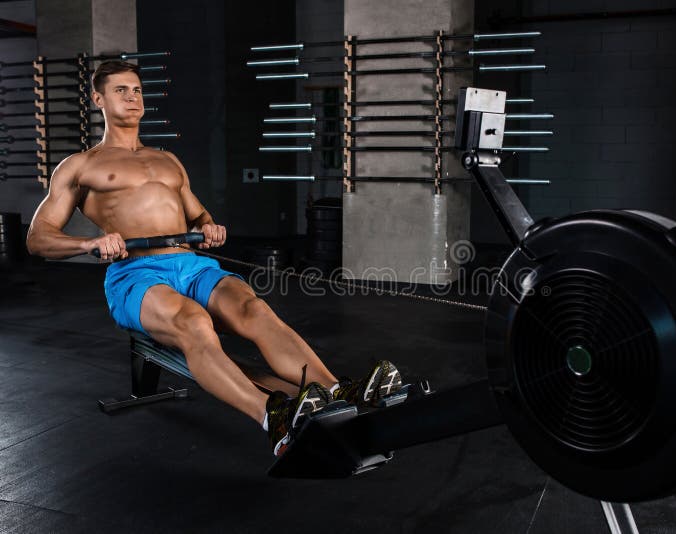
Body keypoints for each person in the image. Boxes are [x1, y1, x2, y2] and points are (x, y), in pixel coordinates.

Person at [26, 60, 402, 456]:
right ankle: (272, 419)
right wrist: (87, 245)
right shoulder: (81, 166)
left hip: (192, 264)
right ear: (98, 98)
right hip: (136, 273)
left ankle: (336, 389)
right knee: (193, 323)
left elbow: (198, 213)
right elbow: (38, 238)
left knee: (253, 311)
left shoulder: (167, 161)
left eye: (137, 90)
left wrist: (210, 227)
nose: (132, 97)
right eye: (121, 90)